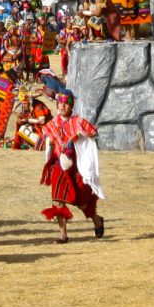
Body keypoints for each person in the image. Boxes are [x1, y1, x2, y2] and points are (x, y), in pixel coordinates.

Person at [39, 90, 104, 243]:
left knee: (81, 202)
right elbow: (43, 138)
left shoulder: (78, 121)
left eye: (66, 103)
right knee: (58, 200)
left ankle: (97, 220)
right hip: (58, 165)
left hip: (76, 167)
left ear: (71, 106)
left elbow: (94, 133)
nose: (62, 106)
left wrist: (78, 136)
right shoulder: (53, 123)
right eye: (60, 103)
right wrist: (51, 141)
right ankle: (63, 235)